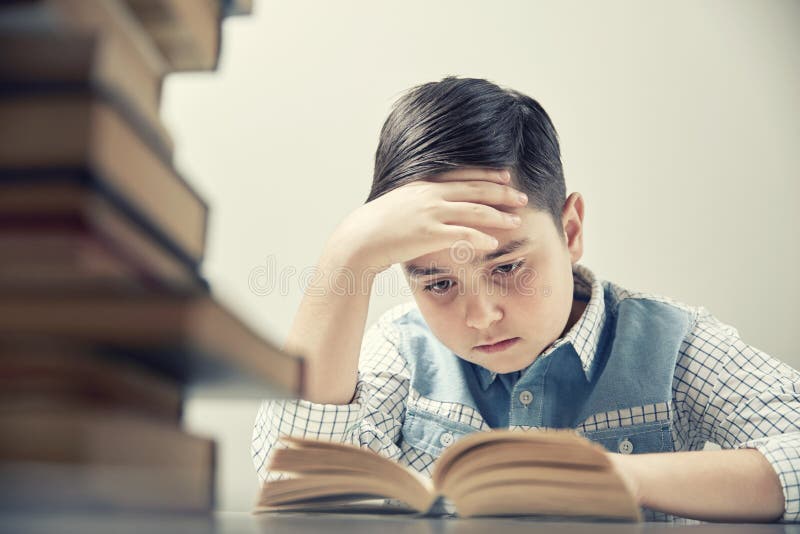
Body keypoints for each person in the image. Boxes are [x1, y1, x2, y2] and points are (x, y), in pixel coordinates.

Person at [251, 77, 799, 523]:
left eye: (508, 267)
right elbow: (290, 478)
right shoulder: (401, 349)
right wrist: (346, 256)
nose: (481, 317)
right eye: (438, 283)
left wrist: (613, 479)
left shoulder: (673, 344)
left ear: (570, 229)